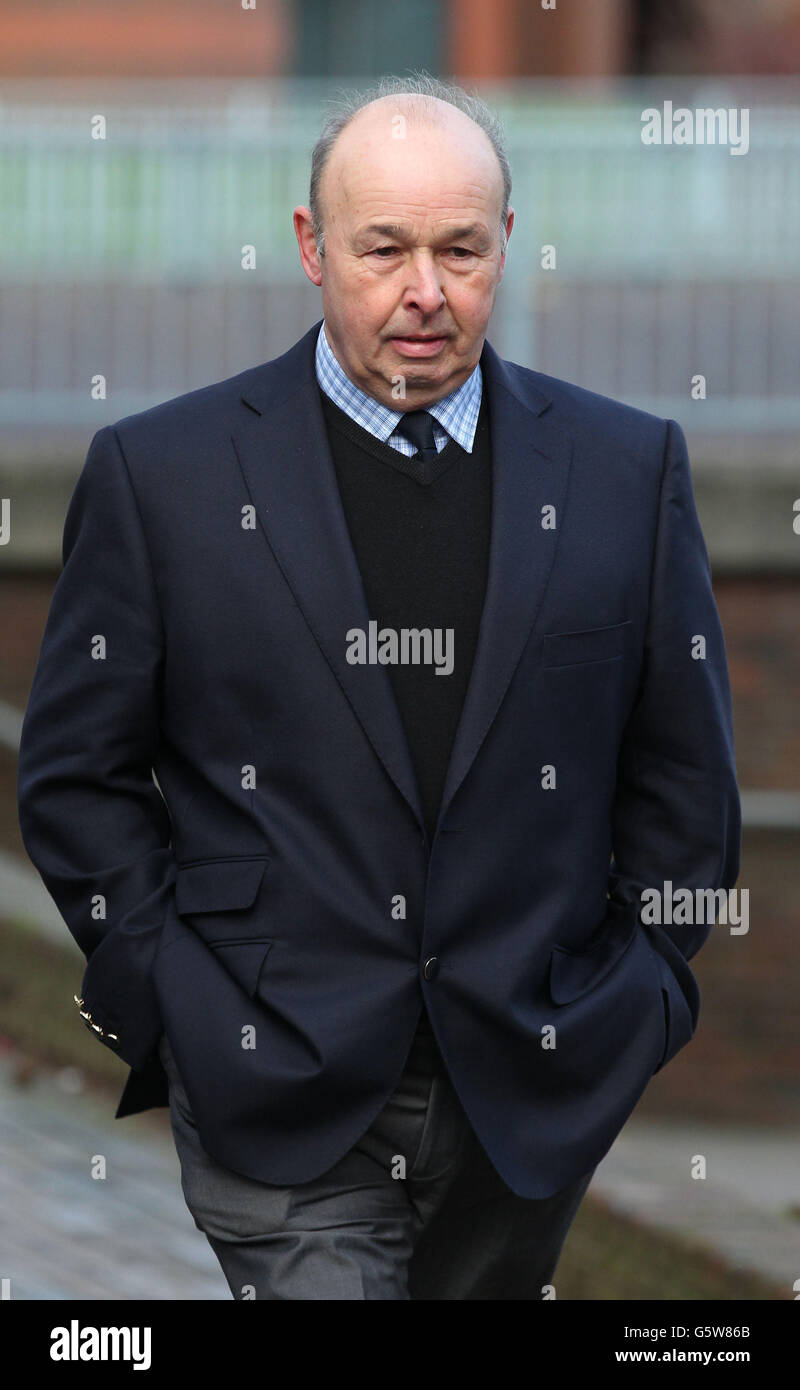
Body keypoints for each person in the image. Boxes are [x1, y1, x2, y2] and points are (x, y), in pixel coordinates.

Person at [17, 74, 741, 1300]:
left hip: (531, 1081)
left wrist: (639, 1001)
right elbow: (75, 780)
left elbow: (684, 783)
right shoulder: (163, 477)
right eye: (384, 247)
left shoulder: (626, 472)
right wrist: (171, 1003)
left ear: (505, 242)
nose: (424, 290)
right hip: (268, 1075)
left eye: (459, 248)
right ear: (310, 246)